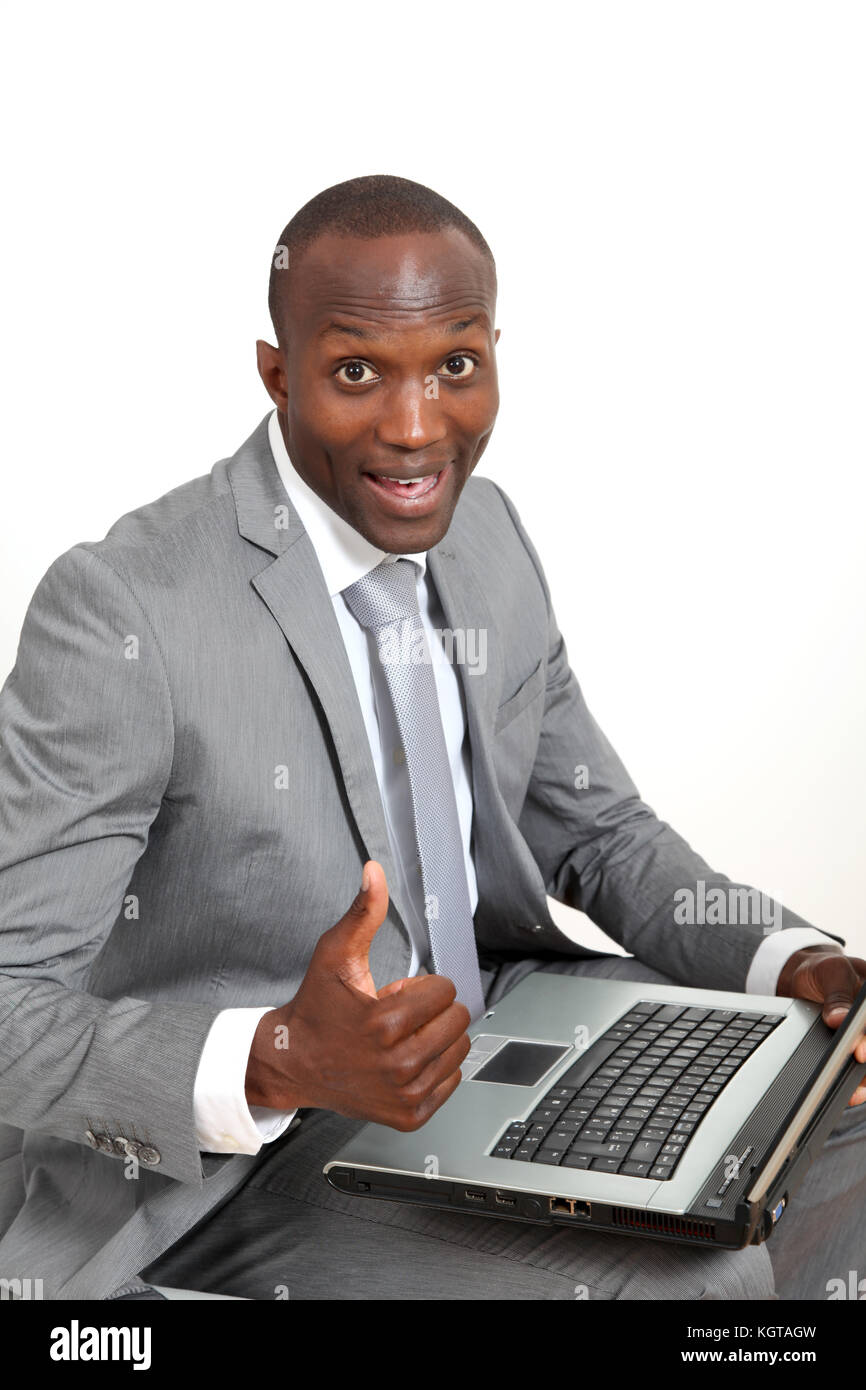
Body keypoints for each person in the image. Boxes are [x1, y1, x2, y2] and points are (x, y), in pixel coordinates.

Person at [0, 176, 863, 1302]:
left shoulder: (487, 534)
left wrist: (800, 963)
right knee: (696, 1282)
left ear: (493, 353)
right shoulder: (124, 609)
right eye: (355, 371)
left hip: (502, 1037)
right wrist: (278, 1055)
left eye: (453, 365)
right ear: (277, 372)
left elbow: (596, 830)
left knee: (837, 1137)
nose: (416, 428)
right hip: (238, 1165)